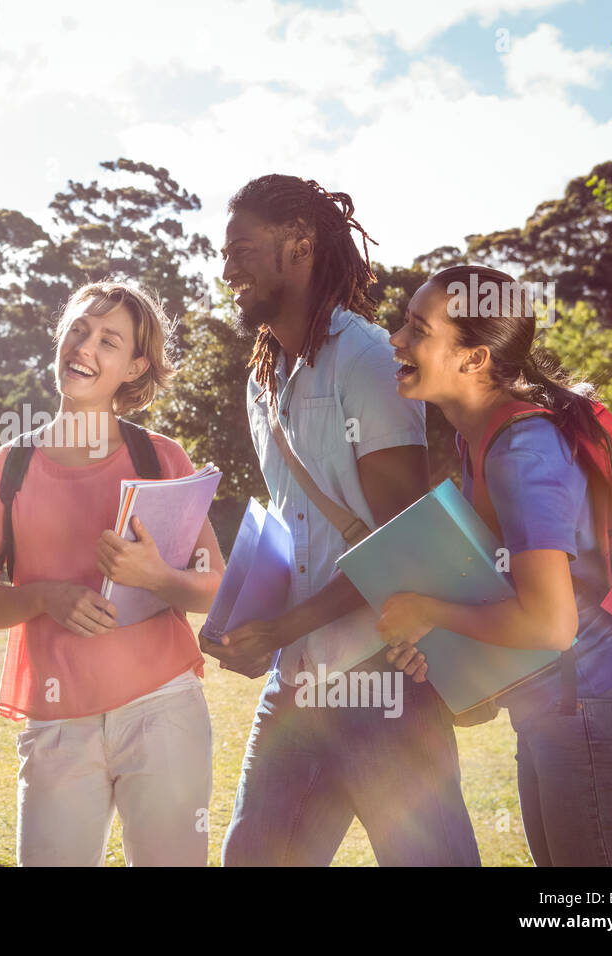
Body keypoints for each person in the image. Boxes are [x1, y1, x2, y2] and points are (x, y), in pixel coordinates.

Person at [209, 174, 480, 866]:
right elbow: (295, 532)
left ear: (299, 246)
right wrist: (250, 621)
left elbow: (402, 542)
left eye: (242, 249)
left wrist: (280, 628)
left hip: (383, 682)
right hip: (297, 684)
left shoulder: (365, 359)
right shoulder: (260, 382)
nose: (226, 268)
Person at [381, 265, 612, 866]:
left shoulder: (523, 449)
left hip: (599, 711)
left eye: (418, 328)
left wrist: (424, 610)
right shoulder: (480, 437)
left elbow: (549, 624)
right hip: (560, 713)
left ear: (474, 358)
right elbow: (499, 595)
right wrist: (434, 638)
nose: (396, 340)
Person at [0, 280, 224, 867]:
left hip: (163, 711)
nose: (85, 346)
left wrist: (156, 576)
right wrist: (44, 597)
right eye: (78, 329)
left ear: (134, 367)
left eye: (109, 340)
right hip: (56, 722)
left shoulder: (161, 458)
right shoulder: (8, 468)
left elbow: (214, 585)